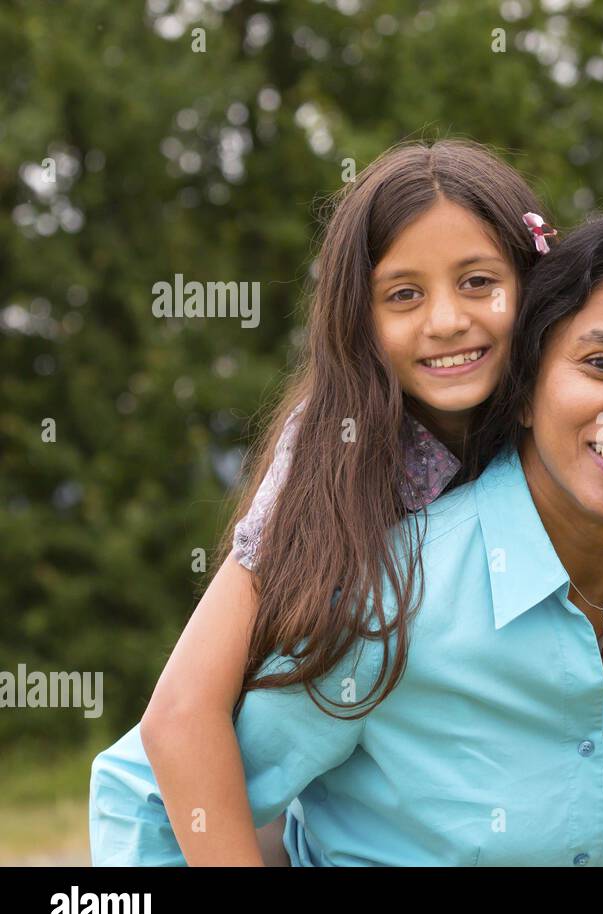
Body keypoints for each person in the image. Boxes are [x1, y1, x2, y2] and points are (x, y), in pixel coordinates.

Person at [88, 137, 555, 865]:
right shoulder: (335, 451)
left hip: (328, 800)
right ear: (358, 319)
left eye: (477, 282)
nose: (445, 320)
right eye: (404, 293)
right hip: (182, 819)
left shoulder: (561, 434)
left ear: (533, 285)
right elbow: (180, 714)